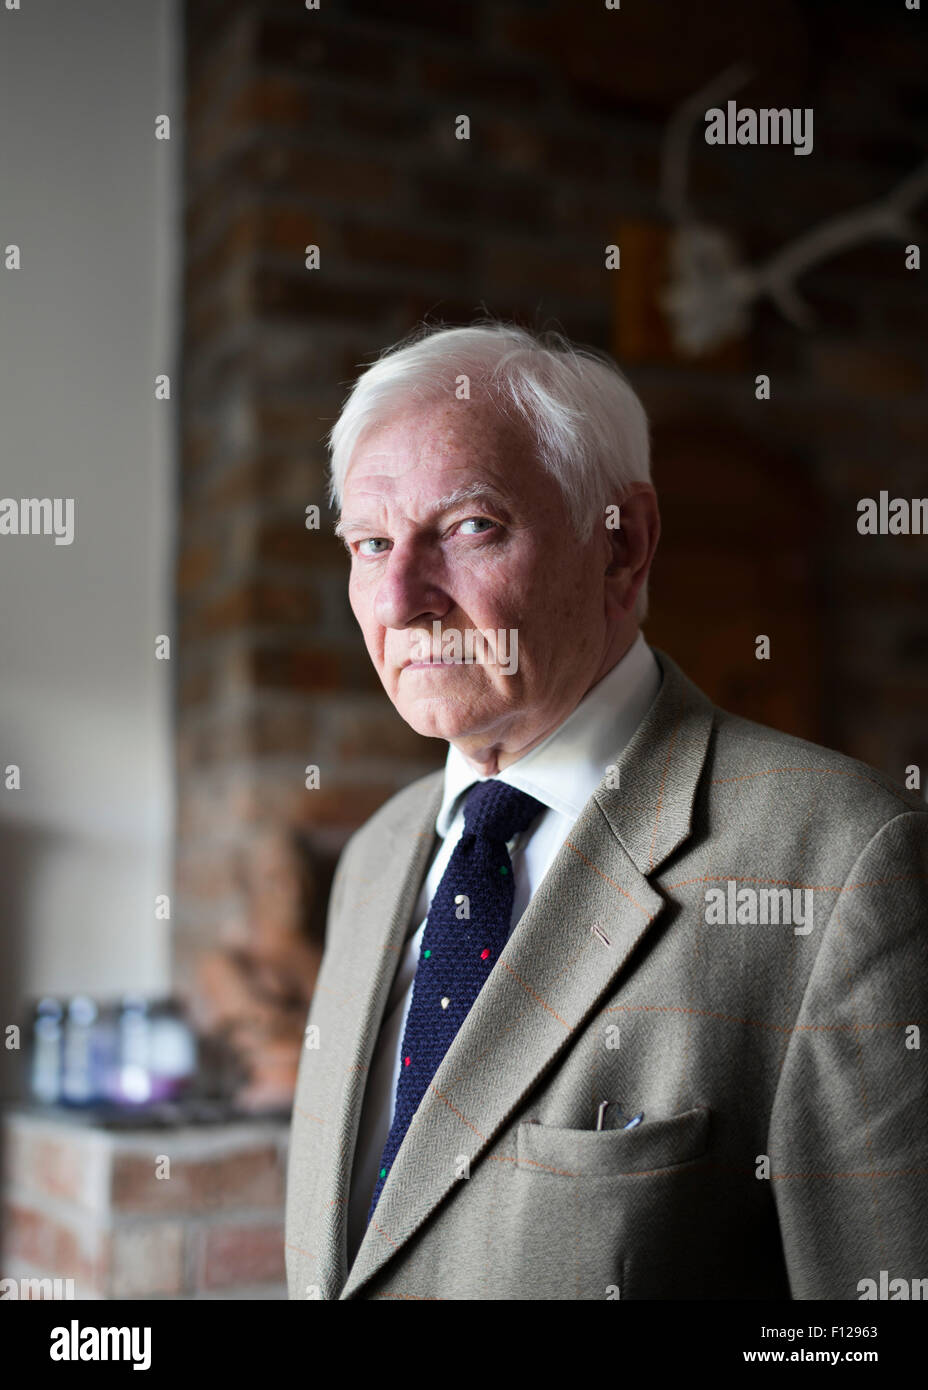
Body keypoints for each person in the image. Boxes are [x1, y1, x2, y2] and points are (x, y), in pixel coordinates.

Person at [285, 322, 928, 1300]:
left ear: (621, 545)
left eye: (468, 528)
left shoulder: (841, 862)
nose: (402, 596)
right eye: (371, 542)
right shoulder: (378, 855)